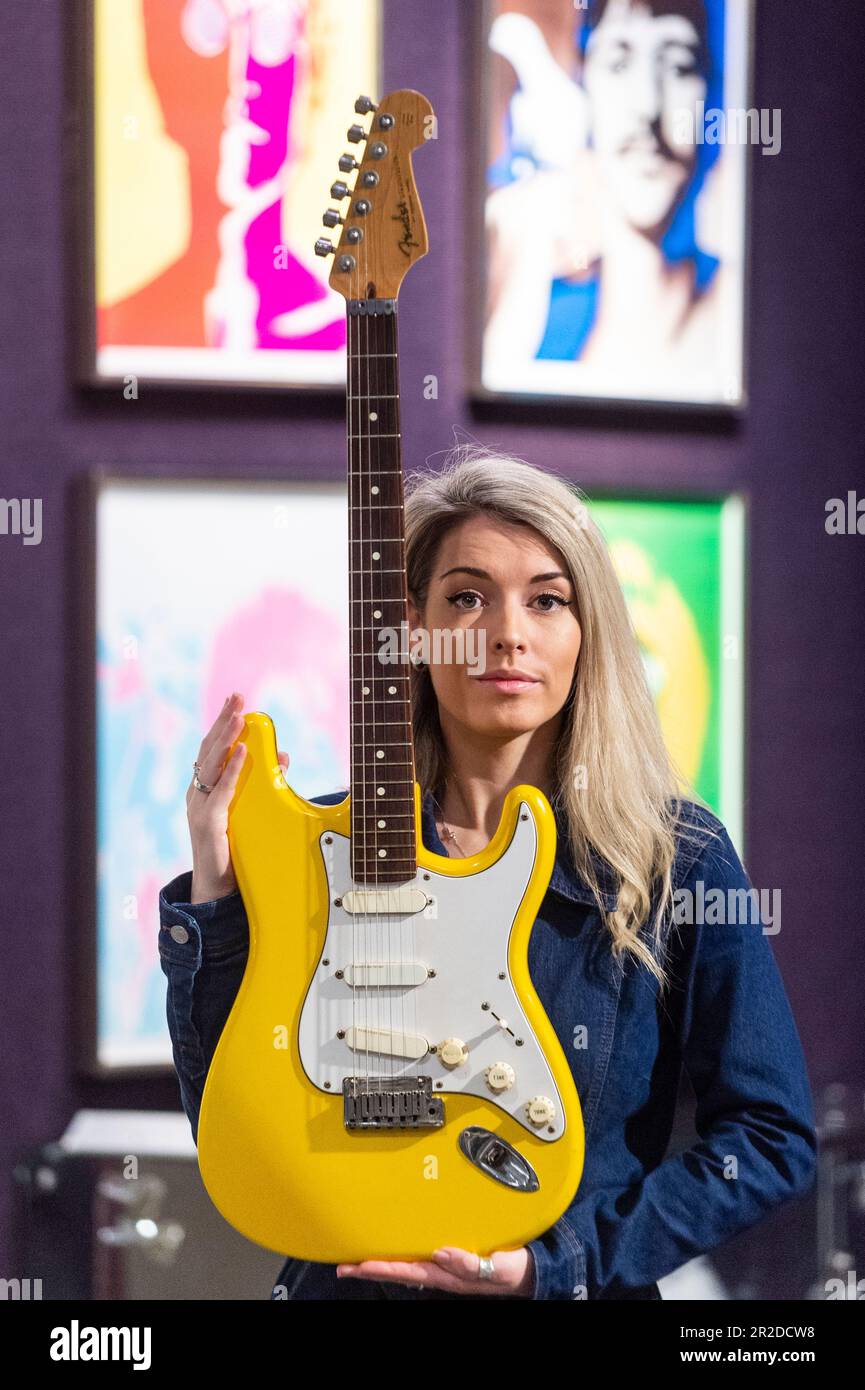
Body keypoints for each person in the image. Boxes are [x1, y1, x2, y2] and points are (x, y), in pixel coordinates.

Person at [158, 446, 817, 1299]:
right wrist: (215, 880)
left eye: (547, 601)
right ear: (411, 626)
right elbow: (235, 1122)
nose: (507, 633)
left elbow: (770, 1138)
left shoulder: (673, 854)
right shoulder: (314, 846)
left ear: (587, 632)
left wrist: (558, 1264)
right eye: (466, 597)